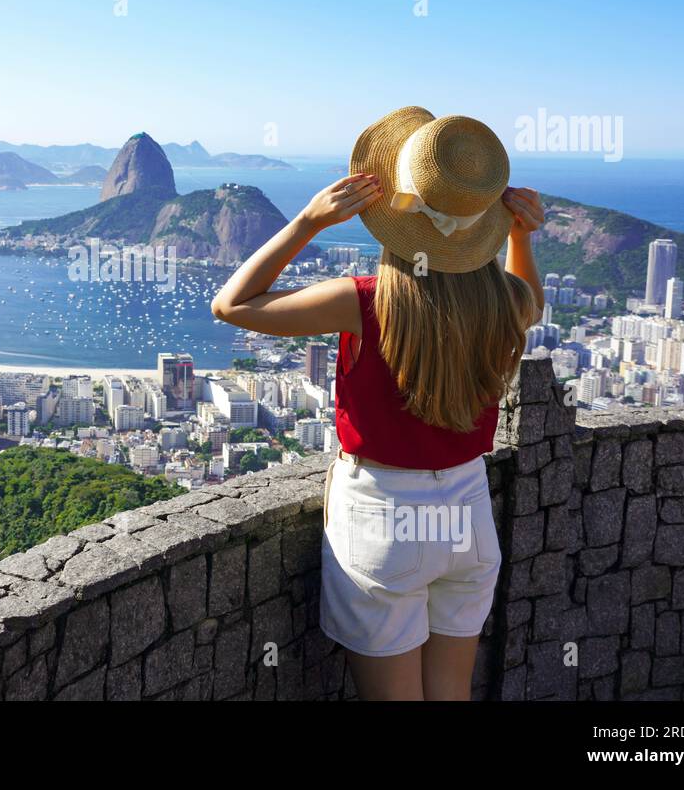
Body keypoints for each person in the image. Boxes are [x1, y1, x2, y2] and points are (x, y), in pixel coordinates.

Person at [210, 106, 545, 700]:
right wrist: (520, 239)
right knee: (451, 694)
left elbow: (232, 304)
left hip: (384, 515)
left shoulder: (362, 302)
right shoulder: (504, 301)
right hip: (468, 509)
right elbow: (531, 302)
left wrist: (308, 223)